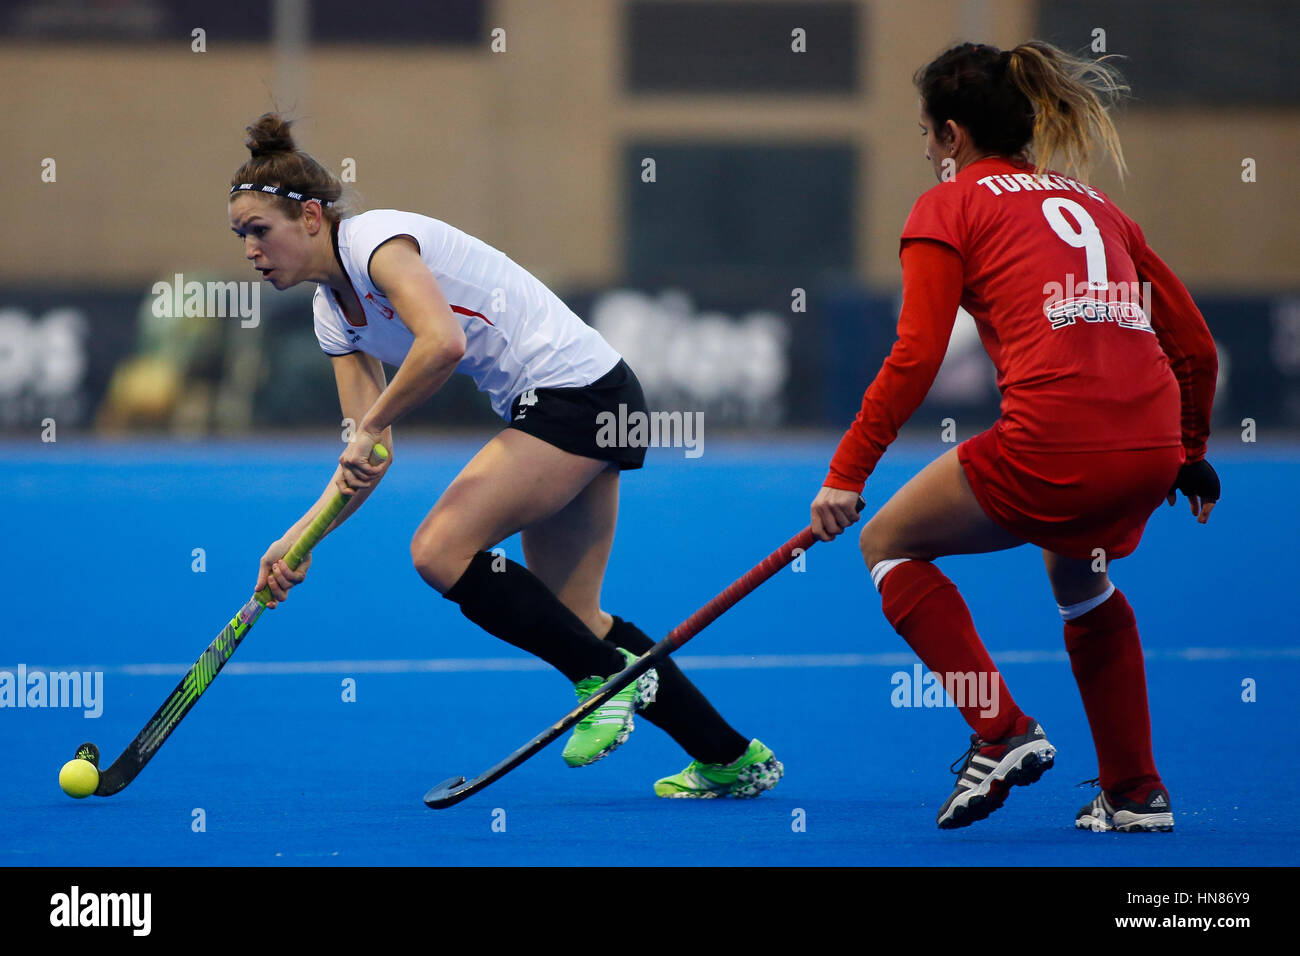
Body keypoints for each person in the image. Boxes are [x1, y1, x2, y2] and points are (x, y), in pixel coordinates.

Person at [229, 113, 782, 799]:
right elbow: (368, 452)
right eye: (240, 236)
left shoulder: (377, 243)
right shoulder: (331, 314)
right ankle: (730, 756)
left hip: (577, 396)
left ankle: (599, 682)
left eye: (260, 230)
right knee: (576, 618)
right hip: (584, 400)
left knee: (438, 550)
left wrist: (369, 423)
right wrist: (301, 536)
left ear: (311, 216)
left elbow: (442, 345)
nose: (250, 249)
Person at [809, 42, 1219, 832]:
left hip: (1055, 446)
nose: (927, 150)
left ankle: (999, 730)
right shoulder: (1099, 208)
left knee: (889, 544)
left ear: (954, 135)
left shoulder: (950, 203)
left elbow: (915, 354)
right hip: (1151, 448)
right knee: (1082, 581)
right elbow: (1195, 346)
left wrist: (846, 474)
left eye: (928, 134)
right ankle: (1135, 792)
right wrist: (1191, 455)